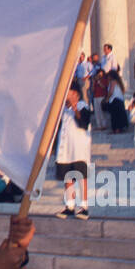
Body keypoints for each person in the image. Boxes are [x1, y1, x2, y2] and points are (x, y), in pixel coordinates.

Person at [52, 83, 92, 219]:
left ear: (75, 93)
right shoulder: (63, 109)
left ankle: (84, 206)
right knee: (68, 178)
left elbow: (83, 122)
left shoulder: (82, 106)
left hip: (78, 150)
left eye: (68, 92)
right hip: (65, 150)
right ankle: (69, 205)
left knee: (81, 177)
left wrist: (75, 107)